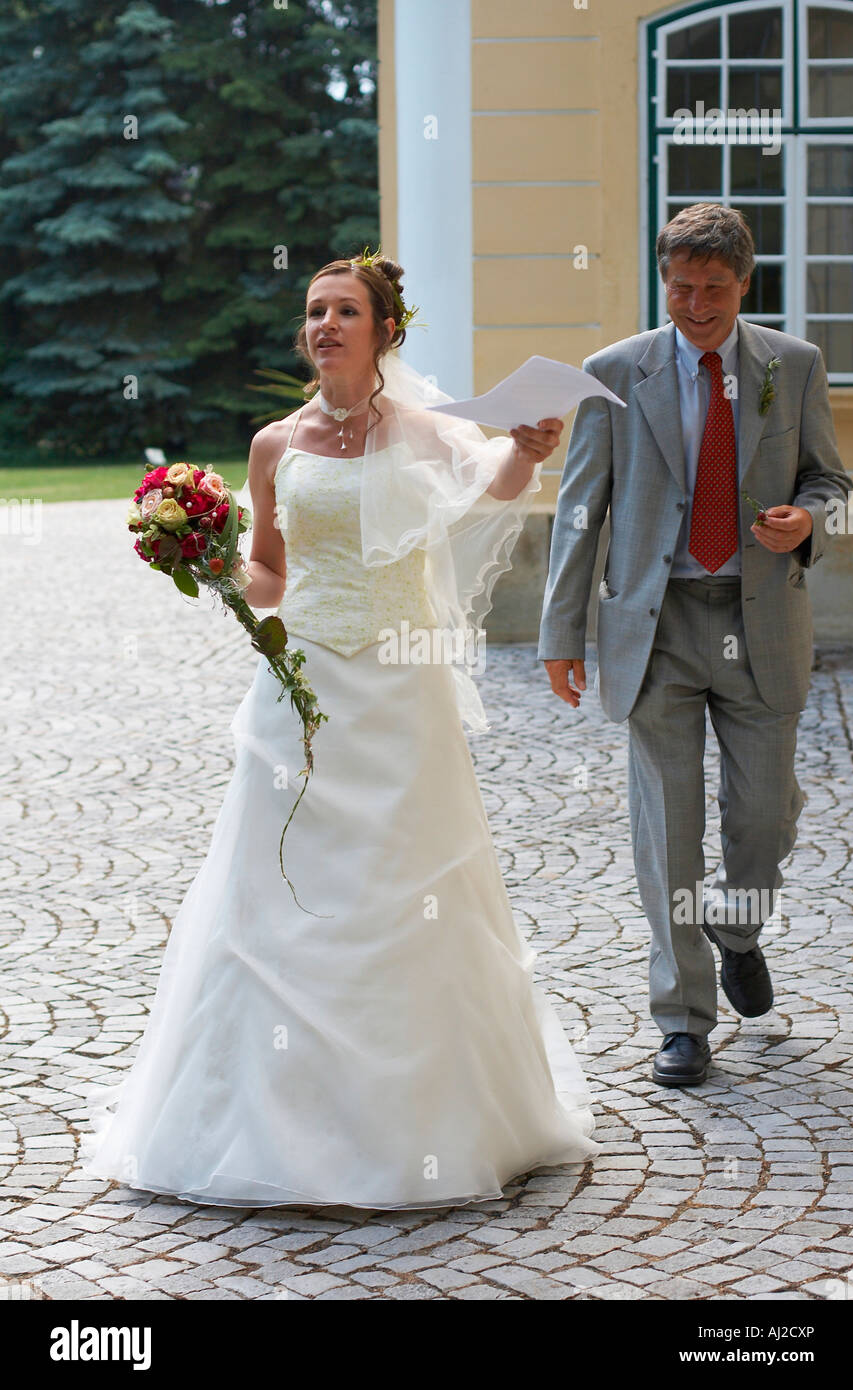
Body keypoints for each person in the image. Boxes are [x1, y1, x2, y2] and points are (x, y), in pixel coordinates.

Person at [78, 251, 598, 1209]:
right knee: (279, 888)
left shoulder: (429, 431)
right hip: (301, 683)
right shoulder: (275, 444)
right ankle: (262, 1124)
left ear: (384, 331)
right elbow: (271, 568)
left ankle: (430, 1126)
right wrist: (218, 568)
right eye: (314, 311)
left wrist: (530, 444)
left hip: (402, 696)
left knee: (411, 888)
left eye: (344, 311)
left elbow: (497, 486)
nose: (324, 325)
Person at [539, 203, 853, 1088]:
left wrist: (810, 519)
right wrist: (563, 631)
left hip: (761, 621)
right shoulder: (615, 373)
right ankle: (682, 1016)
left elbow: (829, 476)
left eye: (715, 288)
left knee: (763, 820)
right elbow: (579, 510)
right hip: (656, 623)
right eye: (681, 287)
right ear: (664, 282)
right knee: (667, 830)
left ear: (744, 284)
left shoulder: (792, 367)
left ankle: (737, 929)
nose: (696, 304)